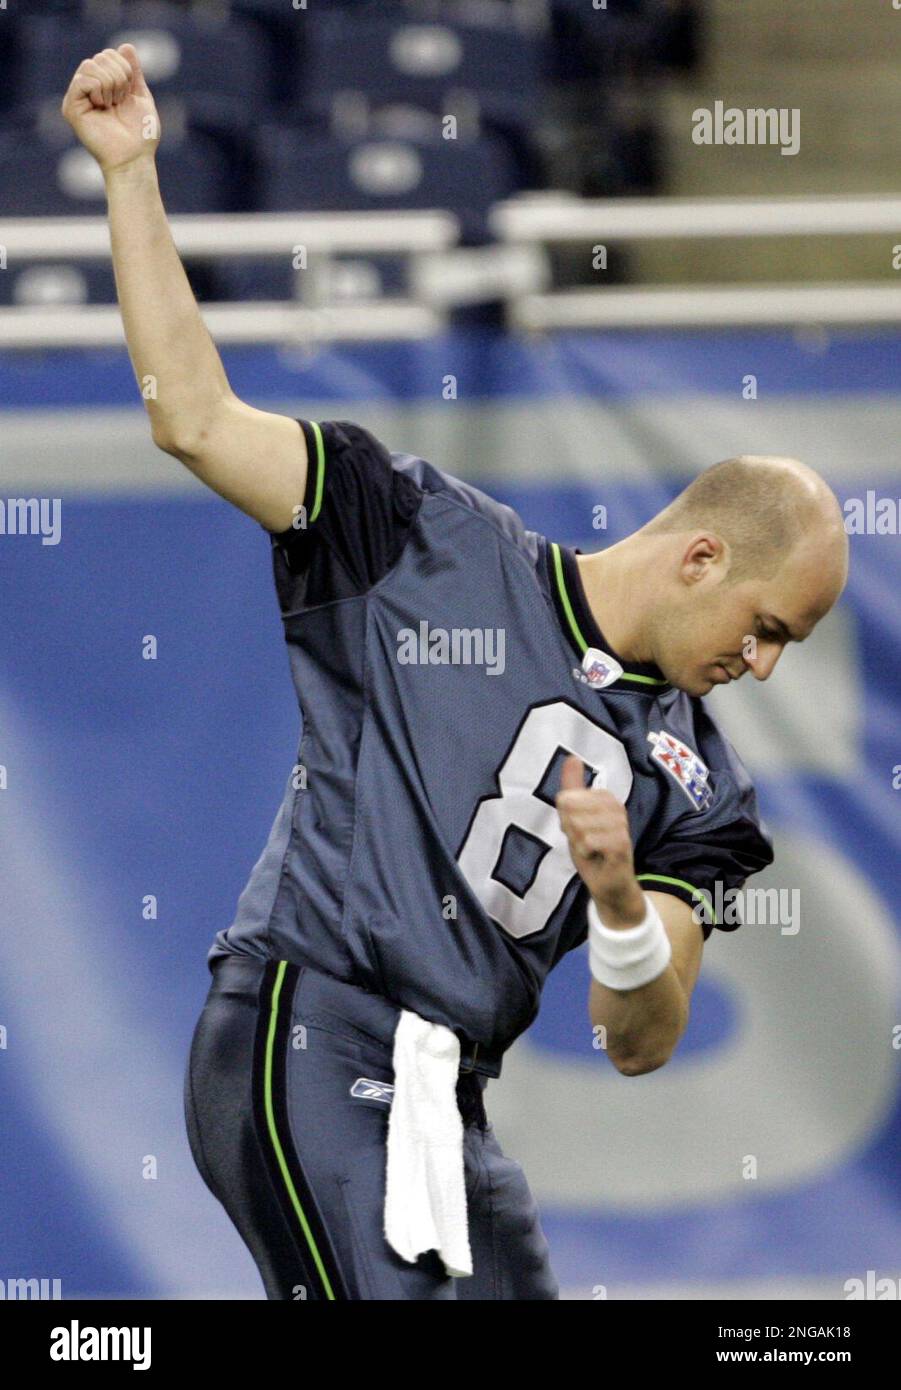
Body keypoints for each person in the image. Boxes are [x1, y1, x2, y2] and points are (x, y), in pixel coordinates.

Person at [62, 44, 849, 1302]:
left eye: (781, 651)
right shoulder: (418, 534)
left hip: (448, 1101)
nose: (756, 666)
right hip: (306, 1029)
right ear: (702, 555)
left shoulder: (703, 792)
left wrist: (618, 903)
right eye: (765, 627)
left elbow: (638, 1040)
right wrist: (132, 174)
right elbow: (193, 418)